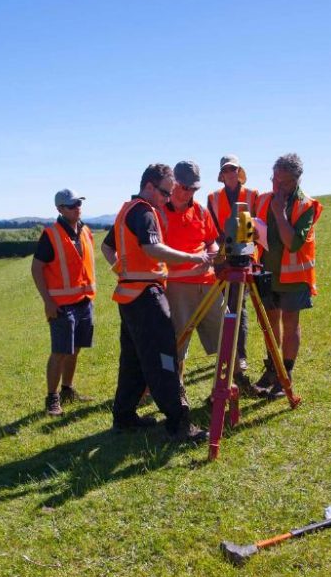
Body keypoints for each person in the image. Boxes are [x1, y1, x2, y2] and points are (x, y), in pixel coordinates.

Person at [101, 164, 214, 443]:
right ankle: (179, 424)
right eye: (165, 192)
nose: (168, 197)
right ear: (149, 187)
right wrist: (194, 258)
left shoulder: (127, 209)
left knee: (134, 360)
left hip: (129, 295)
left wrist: (124, 270)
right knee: (165, 359)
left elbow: (108, 247)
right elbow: (152, 249)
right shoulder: (145, 212)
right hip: (147, 296)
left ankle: (124, 416)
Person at [252, 153, 323, 397]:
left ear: (296, 181)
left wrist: (280, 214)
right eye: (274, 180)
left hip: (293, 279)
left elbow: (292, 243)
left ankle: (286, 374)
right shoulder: (262, 200)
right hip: (266, 275)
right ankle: (273, 369)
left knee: (290, 323)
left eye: (282, 183)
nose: (276, 186)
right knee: (269, 323)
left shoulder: (306, 206)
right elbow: (254, 231)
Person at [30, 189, 97, 417]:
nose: (77, 207)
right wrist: (47, 301)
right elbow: (37, 268)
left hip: (84, 301)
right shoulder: (51, 234)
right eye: (71, 205)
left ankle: (67, 390)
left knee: (75, 349)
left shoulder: (86, 231)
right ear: (59, 209)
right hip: (61, 305)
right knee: (59, 352)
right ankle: (52, 398)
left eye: (79, 203)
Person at [159, 161, 224, 382]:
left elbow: (211, 242)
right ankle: (174, 387)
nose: (189, 193)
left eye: (194, 189)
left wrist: (212, 255)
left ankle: (223, 386)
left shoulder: (201, 211)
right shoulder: (158, 213)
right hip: (176, 287)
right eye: (185, 187)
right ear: (173, 183)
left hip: (208, 284)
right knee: (176, 340)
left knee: (223, 335)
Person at [207, 155, 260, 386]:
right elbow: (211, 226)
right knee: (224, 307)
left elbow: (255, 224)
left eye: (233, 169)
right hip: (221, 257)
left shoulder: (252, 195)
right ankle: (228, 353)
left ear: (239, 171)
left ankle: (240, 356)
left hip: (243, 256)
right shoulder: (212, 197)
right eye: (226, 170)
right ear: (221, 174)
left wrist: (243, 248)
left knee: (240, 306)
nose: (230, 173)